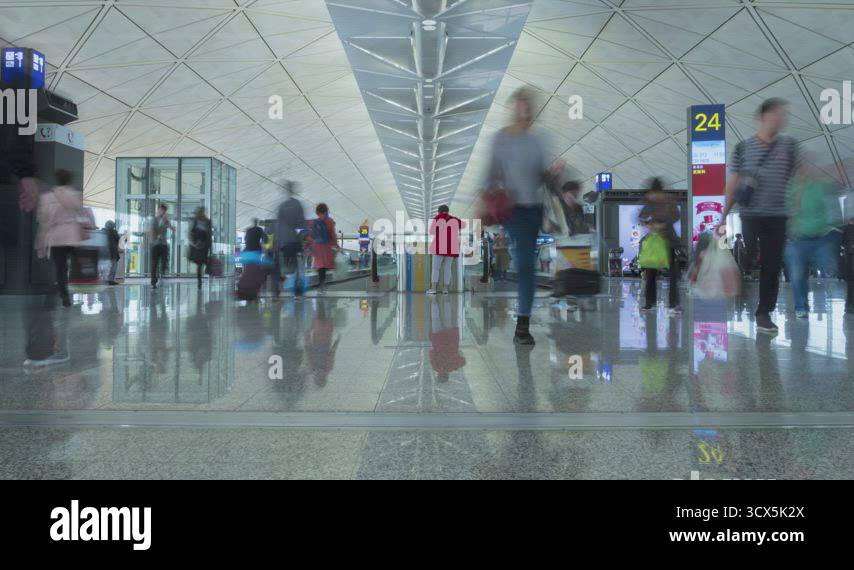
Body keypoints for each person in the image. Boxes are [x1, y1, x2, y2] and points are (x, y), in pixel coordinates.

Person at [482, 87, 564, 346]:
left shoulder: (540, 139)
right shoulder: (500, 139)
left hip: (534, 208)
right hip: (512, 208)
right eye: (519, 104)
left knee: (527, 262)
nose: (524, 109)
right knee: (527, 263)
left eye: (528, 104)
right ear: (512, 107)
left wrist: (552, 175)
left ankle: (523, 321)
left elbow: (542, 175)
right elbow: (490, 174)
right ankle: (522, 326)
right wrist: (486, 199)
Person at [721, 98, 799, 334]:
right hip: (751, 213)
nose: (780, 119)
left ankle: (763, 312)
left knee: (772, 264)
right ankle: (740, 282)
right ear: (762, 117)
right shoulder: (744, 148)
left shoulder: (789, 146)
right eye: (776, 114)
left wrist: (797, 210)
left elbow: (798, 178)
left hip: (778, 215)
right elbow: (734, 182)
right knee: (750, 254)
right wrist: (724, 214)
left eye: (782, 115)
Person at [34, 170, 90, 307]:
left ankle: (64, 294)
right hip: (72, 235)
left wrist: (43, 234)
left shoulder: (46, 198)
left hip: (56, 236)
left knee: (60, 267)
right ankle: (82, 274)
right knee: (76, 260)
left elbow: (42, 218)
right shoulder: (76, 195)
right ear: (69, 180)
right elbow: (83, 213)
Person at [638, 178, 682, 315]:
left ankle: (673, 304)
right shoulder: (649, 202)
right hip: (654, 242)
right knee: (651, 272)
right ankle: (649, 303)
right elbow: (641, 218)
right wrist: (649, 224)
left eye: (654, 193)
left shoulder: (669, 200)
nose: (653, 196)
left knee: (673, 274)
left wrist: (662, 224)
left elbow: (676, 216)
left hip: (668, 240)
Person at [275, 181, 307, 298]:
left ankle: (277, 291)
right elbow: (301, 224)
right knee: (298, 269)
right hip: (295, 242)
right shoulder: (297, 205)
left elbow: (278, 226)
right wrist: (302, 237)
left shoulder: (282, 206)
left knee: (283, 267)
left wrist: (278, 242)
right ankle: (297, 293)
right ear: (293, 190)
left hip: (284, 243)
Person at [428, 205, 463, 294]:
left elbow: (431, 231)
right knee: (448, 268)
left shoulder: (437, 218)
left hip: (439, 246)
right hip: (451, 247)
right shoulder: (454, 219)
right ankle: (445, 289)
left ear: (439, 211)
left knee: (436, 268)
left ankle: (433, 289)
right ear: (447, 211)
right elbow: (462, 225)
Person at [308, 203, 338, 295]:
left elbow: (310, 235)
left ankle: (321, 284)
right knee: (325, 266)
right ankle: (322, 284)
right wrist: (336, 245)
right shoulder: (329, 221)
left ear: (317, 212)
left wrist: (311, 244)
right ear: (326, 211)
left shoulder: (313, 222)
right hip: (326, 246)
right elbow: (333, 234)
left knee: (320, 266)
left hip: (317, 246)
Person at [149, 204, 174, 289]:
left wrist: (167, 222)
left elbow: (173, 229)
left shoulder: (166, 220)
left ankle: (162, 274)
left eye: (164, 211)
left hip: (163, 244)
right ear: (158, 210)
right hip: (155, 245)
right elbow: (152, 230)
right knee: (154, 264)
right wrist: (155, 237)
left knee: (164, 262)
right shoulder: (153, 220)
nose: (162, 212)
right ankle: (153, 282)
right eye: (161, 210)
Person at [188, 206, 213, 289]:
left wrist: (209, 245)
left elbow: (209, 234)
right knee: (199, 264)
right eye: (201, 211)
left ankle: (207, 274)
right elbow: (191, 233)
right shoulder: (195, 221)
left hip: (205, 245)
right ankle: (199, 281)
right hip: (197, 246)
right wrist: (194, 243)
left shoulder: (207, 221)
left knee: (205, 262)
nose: (202, 213)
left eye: (203, 211)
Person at [104, 220, 121, 285]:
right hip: (113, 252)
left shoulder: (103, 232)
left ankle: (105, 279)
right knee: (113, 266)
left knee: (106, 266)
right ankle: (110, 280)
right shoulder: (114, 232)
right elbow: (118, 239)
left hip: (104, 252)